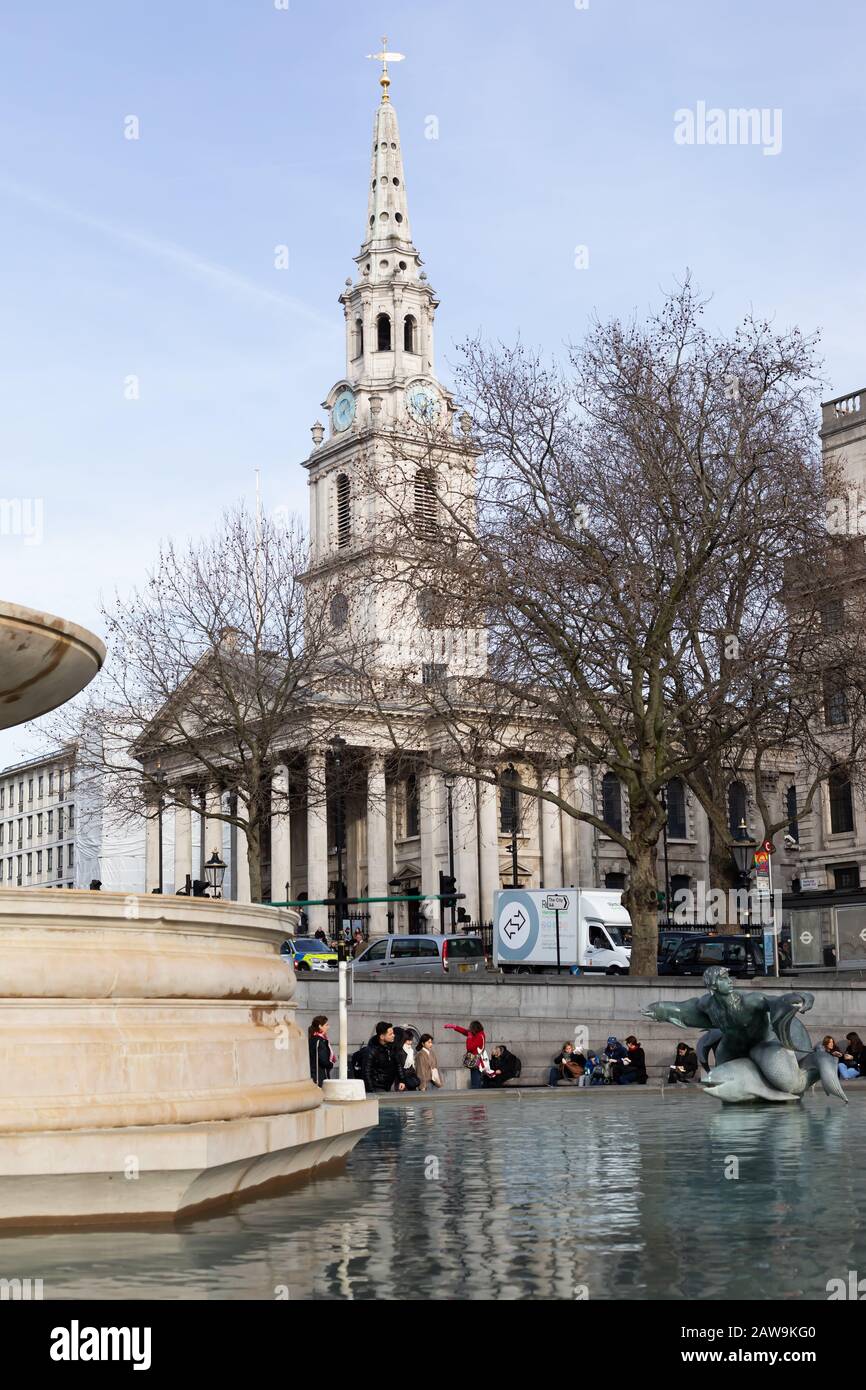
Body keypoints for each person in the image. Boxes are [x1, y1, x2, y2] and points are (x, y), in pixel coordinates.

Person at [361, 1021, 407, 1093]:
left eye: (393, 1033)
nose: (393, 1035)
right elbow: (366, 1073)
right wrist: (371, 1091)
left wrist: (402, 1080)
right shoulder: (371, 1051)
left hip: (388, 1085)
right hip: (377, 1087)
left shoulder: (391, 1047)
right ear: (382, 1037)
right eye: (390, 1034)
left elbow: (398, 1064)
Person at [444, 1019, 489, 1089]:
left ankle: (476, 1097)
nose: (469, 1029)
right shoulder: (477, 1034)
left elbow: (469, 1047)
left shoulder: (479, 1036)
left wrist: (469, 1038)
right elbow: (465, 1031)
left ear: (474, 1028)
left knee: (475, 1083)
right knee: (476, 1081)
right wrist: (454, 1027)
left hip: (476, 1062)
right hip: (475, 1061)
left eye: (470, 1028)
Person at [308, 1015, 334, 1086]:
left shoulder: (312, 1039)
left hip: (314, 1074)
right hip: (319, 1076)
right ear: (320, 1026)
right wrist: (330, 1064)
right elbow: (323, 1060)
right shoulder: (319, 1041)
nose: (328, 1027)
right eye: (326, 1025)